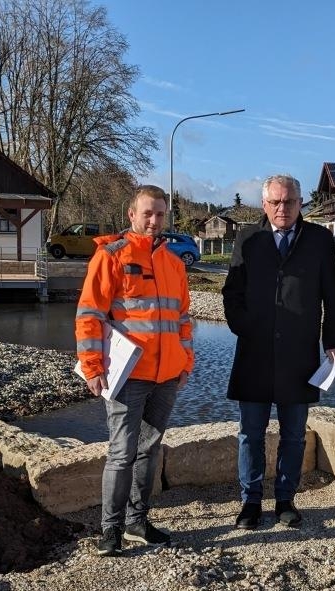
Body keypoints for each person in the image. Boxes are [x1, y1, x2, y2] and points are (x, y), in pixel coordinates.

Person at [222, 174, 335, 530]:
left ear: (300, 203)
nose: (282, 208)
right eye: (275, 202)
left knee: (294, 433)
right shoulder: (249, 238)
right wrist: (244, 327)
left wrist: (334, 343)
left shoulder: (320, 240)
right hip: (254, 353)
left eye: (289, 202)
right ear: (264, 204)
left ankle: (286, 499)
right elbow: (232, 293)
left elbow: (333, 298)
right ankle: (250, 502)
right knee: (250, 433)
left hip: (299, 354)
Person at [75, 185, 194, 556]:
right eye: (147, 213)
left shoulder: (174, 264)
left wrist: (185, 362)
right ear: (131, 214)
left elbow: (183, 320)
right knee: (121, 452)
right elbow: (89, 315)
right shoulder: (111, 256)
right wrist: (93, 367)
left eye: (160, 214)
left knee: (149, 448)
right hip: (127, 375)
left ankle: (137, 522)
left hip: (167, 375)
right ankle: (110, 528)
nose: (154, 221)